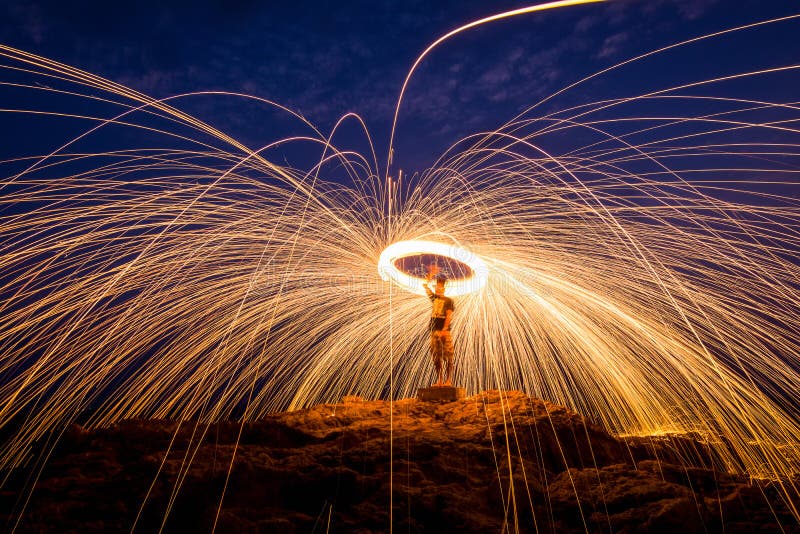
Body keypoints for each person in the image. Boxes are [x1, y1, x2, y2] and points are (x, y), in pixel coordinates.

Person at [424, 264, 455, 387]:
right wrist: (430, 275)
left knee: (448, 356)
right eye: (436, 288)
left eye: (440, 288)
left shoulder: (449, 301)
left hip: (444, 332)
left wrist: (444, 329)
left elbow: (448, 316)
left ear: (444, 289)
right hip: (434, 331)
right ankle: (440, 380)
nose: (438, 289)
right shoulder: (434, 298)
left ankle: (448, 380)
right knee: (436, 357)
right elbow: (425, 287)